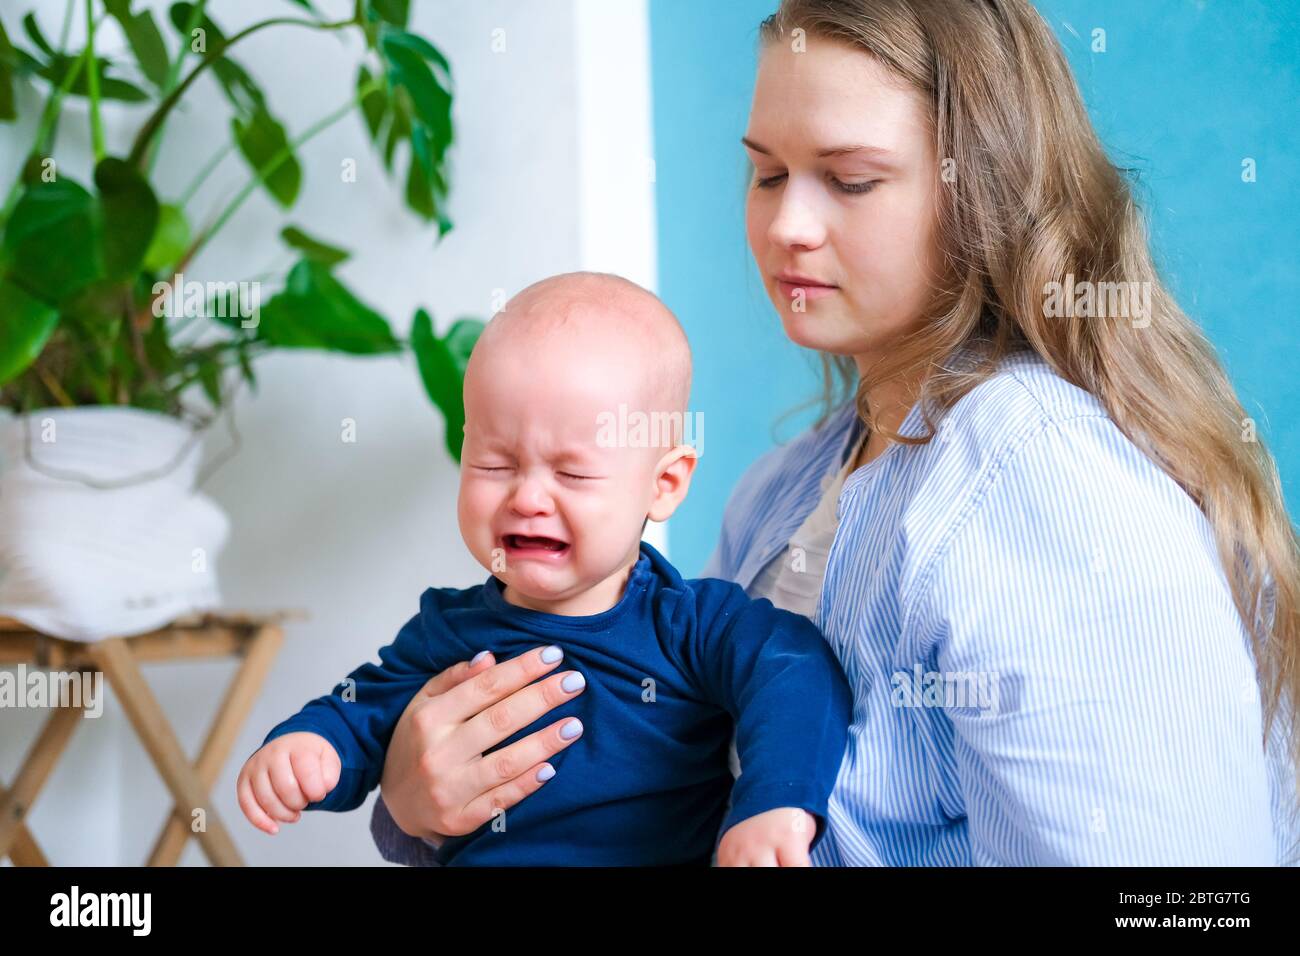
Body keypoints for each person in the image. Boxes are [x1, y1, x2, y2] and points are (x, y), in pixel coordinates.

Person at [369, 0, 1300, 865]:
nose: (787, 225)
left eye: (850, 180)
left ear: (982, 192)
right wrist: (414, 809)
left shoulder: (1042, 478)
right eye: (767, 173)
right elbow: (641, 796)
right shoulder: (782, 492)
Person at [236, 272, 852, 866]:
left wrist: (776, 803)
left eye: (572, 473)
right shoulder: (446, 632)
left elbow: (795, 672)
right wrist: (310, 746)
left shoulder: (694, 625)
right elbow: (361, 710)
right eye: (495, 464)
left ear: (662, 484)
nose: (527, 497)